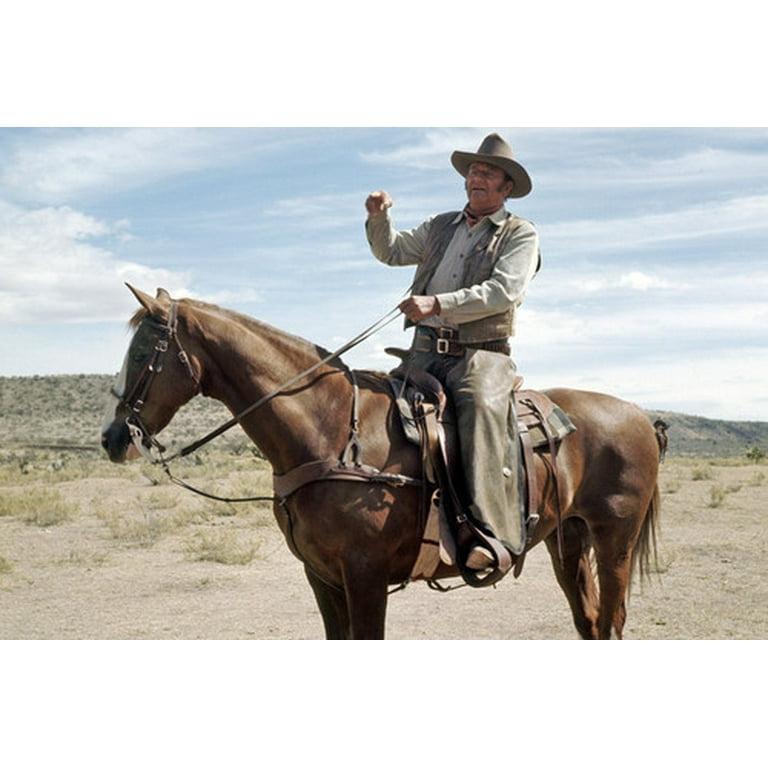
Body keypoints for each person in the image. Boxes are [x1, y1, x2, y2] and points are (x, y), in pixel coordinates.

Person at [365, 132, 541, 570]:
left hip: (481, 355)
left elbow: (503, 292)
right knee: (373, 407)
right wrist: (378, 218)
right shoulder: (440, 225)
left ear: (506, 188)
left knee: (479, 409)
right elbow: (392, 251)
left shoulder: (520, 234)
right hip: (423, 349)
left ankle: (486, 532)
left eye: (489, 173)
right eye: (474, 171)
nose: (477, 178)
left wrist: (438, 303)